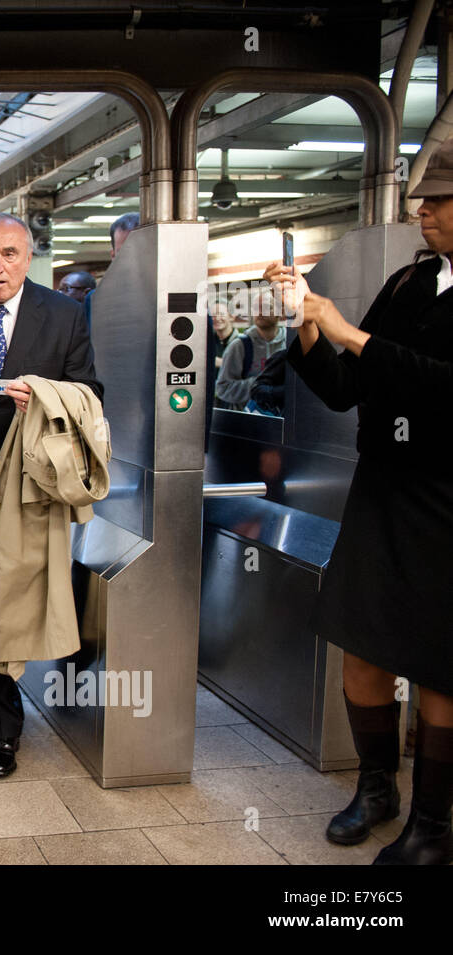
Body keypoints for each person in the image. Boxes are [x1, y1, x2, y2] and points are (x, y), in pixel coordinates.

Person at [264, 143, 453, 865]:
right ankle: (378, 788)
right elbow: (349, 385)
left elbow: (439, 382)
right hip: (384, 490)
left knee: (440, 664)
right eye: (420, 199)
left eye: (438, 199)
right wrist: (310, 325)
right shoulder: (411, 282)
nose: (422, 210)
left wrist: (352, 333)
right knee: (363, 645)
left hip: (447, 498)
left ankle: (433, 824)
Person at [0, 212, 102, 777]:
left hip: (22, 483)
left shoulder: (64, 314)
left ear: (28, 255)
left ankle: (2, 732)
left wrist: (43, 395)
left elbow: (89, 391)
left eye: (10, 254)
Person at [215, 289, 285, 410]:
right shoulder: (239, 346)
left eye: (267, 307)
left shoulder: (289, 345)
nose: (261, 312)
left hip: (283, 420)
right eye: (256, 308)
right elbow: (222, 388)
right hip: (247, 422)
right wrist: (259, 386)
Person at [83, 211, 140, 326]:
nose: (131, 257)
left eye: (138, 249)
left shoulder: (168, 295)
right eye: (123, 251)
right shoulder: (96, 300)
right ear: (113, 255)